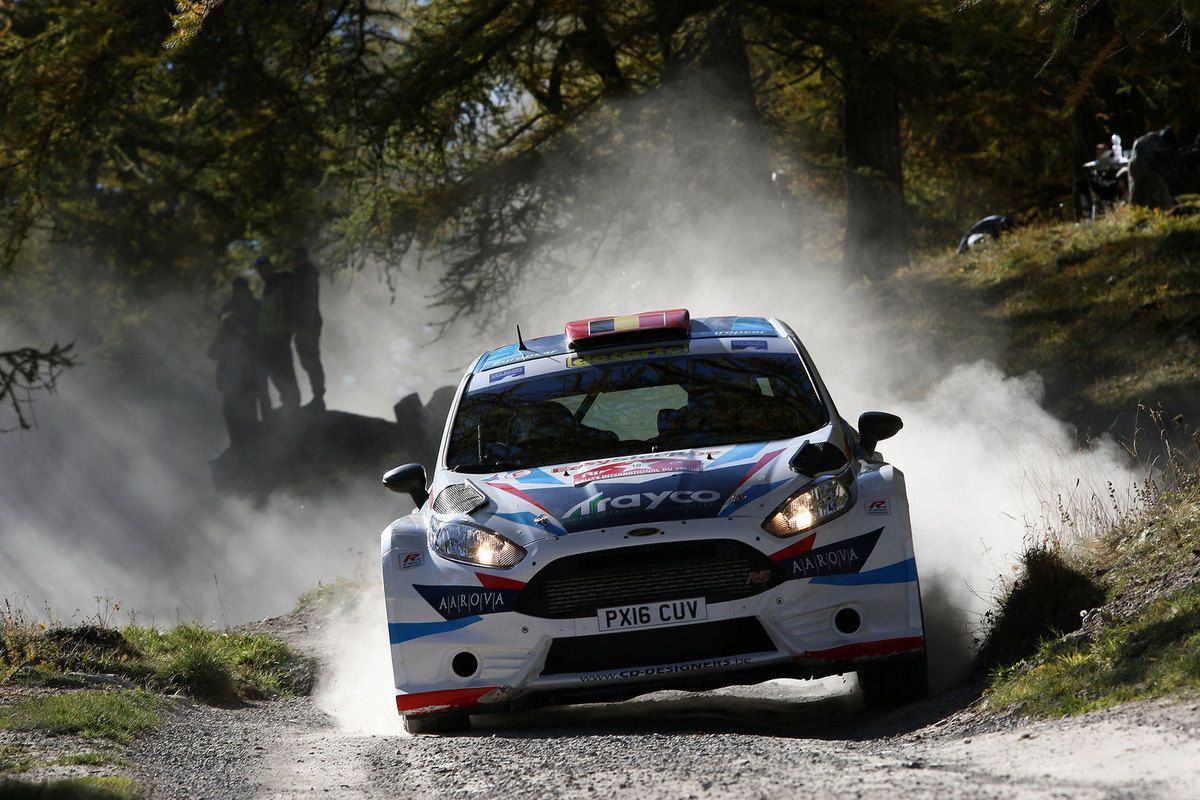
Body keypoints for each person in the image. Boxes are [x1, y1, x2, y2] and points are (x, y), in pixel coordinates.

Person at [254, 255, 301, 409]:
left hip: (280, 334)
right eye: (260, 270)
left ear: (271, 267)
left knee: (284, 367)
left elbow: (288, 306)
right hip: (269, 336)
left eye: (265, 268)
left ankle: (293, 400)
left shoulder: (281, 282)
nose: (263, 272)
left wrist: (288, 326)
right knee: (274, 370)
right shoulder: (268, 287)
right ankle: (288, 400)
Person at [207, 311, 258, 448]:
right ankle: (238, 441)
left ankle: (247, 440)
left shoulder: (244, 337)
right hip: (231, 384)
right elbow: (211, 353)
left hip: (242, 384)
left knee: (241, 412)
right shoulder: (225, 339)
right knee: (231, 412)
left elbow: (252, 358)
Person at [220, 277, 270, 418]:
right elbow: (223, 332)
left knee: (260, 388)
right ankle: (257, 422)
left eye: (242, 288)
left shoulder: (256, 305)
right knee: (251, 391)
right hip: (240, 357)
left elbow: (266, 327)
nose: (240, 291)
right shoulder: (230, 308)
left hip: (256, 353)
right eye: (238, 289)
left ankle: (266, 420)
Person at [286, 246, 325, 410]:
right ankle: (317, 394)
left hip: (308, 323)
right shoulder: (300, 275)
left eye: (296, 257)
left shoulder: (307, 274)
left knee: (311, 358)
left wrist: (304, 326)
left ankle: (318, 395)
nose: (293, 261)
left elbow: (308, 302)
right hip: (303, 324)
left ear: (303, 258)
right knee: (307, 359)